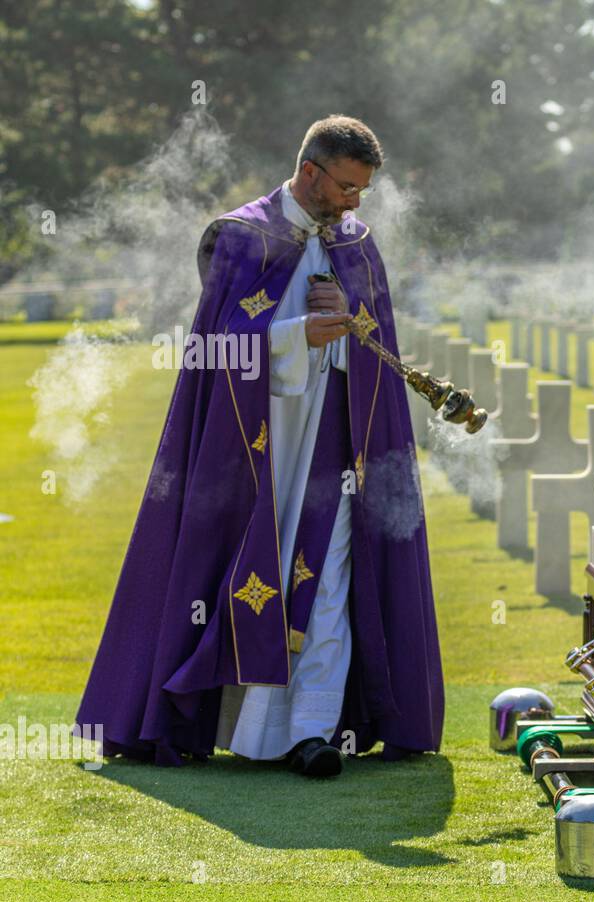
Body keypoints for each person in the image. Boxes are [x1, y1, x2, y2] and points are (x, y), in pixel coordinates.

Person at [76, 115, 445, 778]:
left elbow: (371, 347)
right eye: (346, 186)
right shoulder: (241, 237)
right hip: (251, 451)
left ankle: (307, 731)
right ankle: (240, 725)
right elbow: (215, 350)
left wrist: (344, 332)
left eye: (363, 190)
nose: (355, 202)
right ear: (309, 172)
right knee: (256, 581)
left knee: (332, 580)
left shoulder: (356, 244)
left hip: (334, 446)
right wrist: (298, 333)